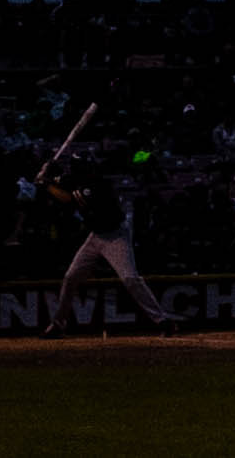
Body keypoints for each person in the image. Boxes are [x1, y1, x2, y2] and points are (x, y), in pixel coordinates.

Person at [34, 133, 167, 331]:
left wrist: (46, 184)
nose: (87, 170)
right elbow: (62, 181)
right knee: (71, 278)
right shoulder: (75, 177)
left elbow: (67, 198)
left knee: (130, 279)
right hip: (95, 236)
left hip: (116, 235)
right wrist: (48, 174)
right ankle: (57, 324)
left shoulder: (97, 184)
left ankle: (162, 320)